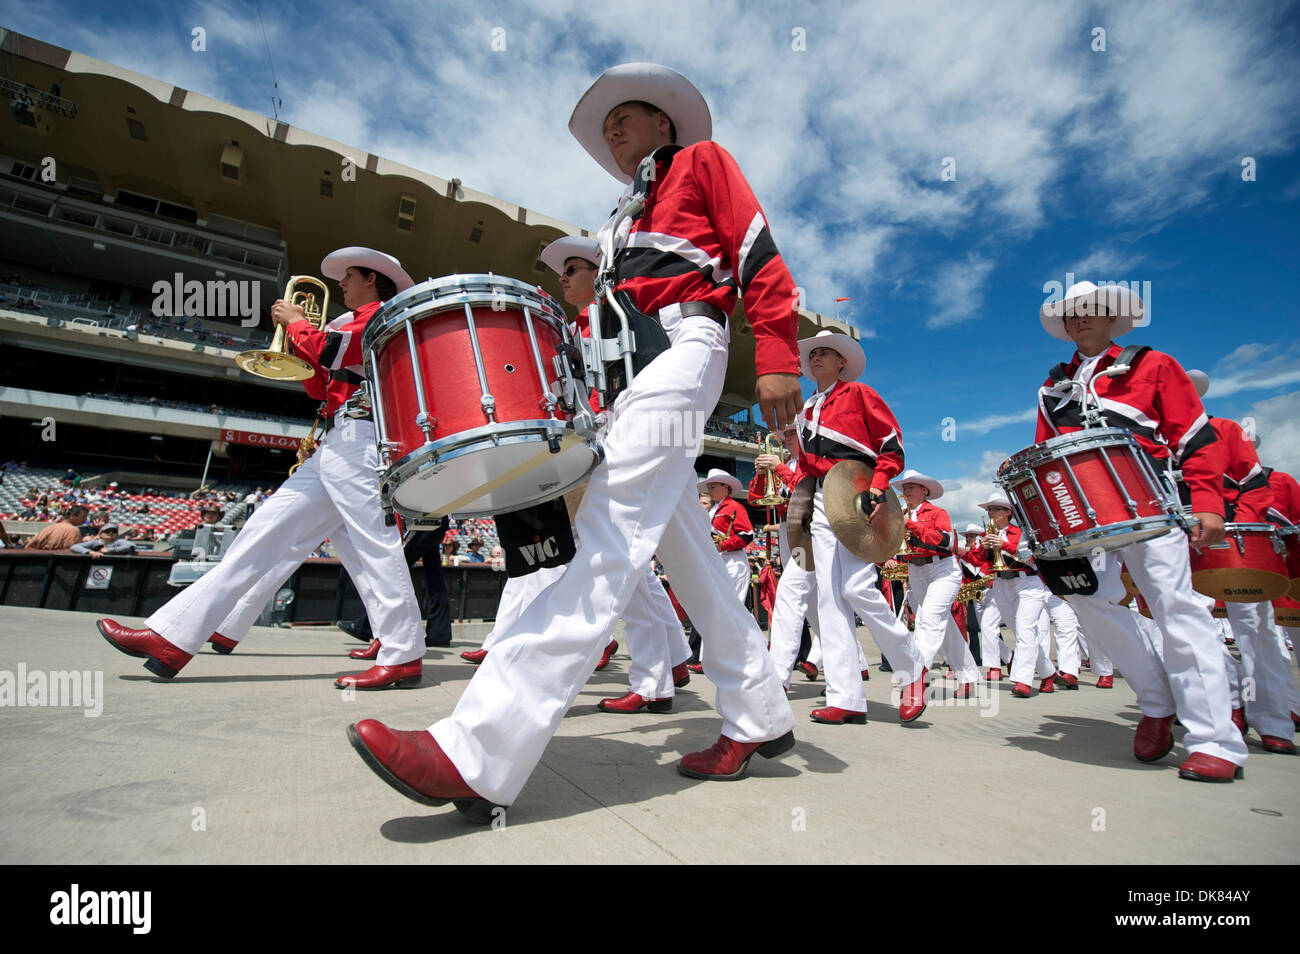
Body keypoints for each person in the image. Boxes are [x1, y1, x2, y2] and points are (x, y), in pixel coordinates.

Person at [348, 63, 802, 820]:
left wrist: (780, 354)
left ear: (665, 122)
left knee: (603, 532)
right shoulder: (619, 215)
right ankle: (760, 712)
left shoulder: (701, 161)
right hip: (632, 380)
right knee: (685, 551)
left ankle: (478, 749)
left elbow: (757, 247)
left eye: (626, 116)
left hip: (688, 347)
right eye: (606, 125)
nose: (612, 130)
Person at [95, 247, 425, 690]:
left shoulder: (383, 314)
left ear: (371, 278)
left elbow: (330, 349)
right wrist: (296, 342)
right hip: (339, 440)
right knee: (262, 531)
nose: (340, 284)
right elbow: (318, 387)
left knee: (374, 545)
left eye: (348, 276)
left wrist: (297, 323)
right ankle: (170, 636)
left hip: (362, 439)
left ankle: (403, 653)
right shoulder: (349, 319)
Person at [1033, 280, 1245, 781]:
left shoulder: (1154, 365)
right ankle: (1156, 701)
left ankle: (1216, 739)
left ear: (1111, 318)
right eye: (1071, 313)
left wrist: (1209, 502)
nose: (1080, 318)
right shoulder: (1051, 386)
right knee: (1087, 600)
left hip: (1150, 505)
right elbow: (1045, 458)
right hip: (1082, 520)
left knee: (1178, 611)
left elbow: (1196, 438)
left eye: (1091, 311)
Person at [793, 329, 927, 725]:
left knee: (854, 587)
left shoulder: (860, 395)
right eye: (812, 353)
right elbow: (804, 467)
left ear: (842, 363)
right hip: (820, 500)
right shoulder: (806, 410)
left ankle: (911, 664)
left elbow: (892, 447)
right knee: (828, 599)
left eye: (825, 353)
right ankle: (846, 697)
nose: (816, 358)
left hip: (859, 494)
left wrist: (877, 488)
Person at [888, 470, 979, 697]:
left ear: (924, 490)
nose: (906, 491)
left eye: (911, 487)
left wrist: (911, 525)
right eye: (904, 488)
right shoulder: (900, 514)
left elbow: (946, 541)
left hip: (942, 569)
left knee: (928, 620)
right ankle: (968, 676)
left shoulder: (938, 512)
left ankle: (916, 676)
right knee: (943, 626)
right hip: (916, 570)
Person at [699, 468, 752, 602]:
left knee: (733, 606)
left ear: (725, 486)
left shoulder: (735, 506)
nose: (709, 490)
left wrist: (721, 546)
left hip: (733, 561)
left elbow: (747, 535)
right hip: (719, 560)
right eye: (708, 487)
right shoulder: (715, 508)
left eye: (713, 486)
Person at [70, 523, 136, 558]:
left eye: (114, 531)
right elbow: (74, 547)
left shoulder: (118, 541)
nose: (111, 533)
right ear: (101, 534)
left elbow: (131, 546)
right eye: (107, 531)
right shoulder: (96, 542)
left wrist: (109, 550)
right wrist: (91, 552)